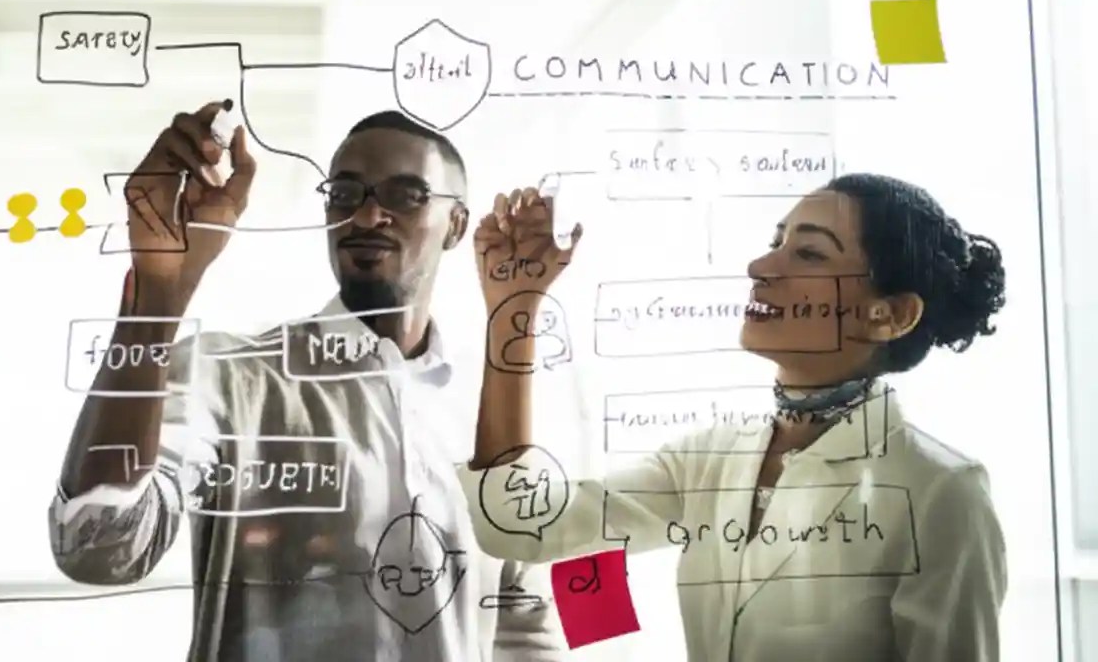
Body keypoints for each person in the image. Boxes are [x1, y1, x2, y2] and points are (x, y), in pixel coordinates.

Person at [49, 101, 569, 661]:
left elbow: (533, 618)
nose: (367, 218)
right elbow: (97, 548)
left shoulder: (494, 407)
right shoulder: (230, 378)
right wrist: (158, 293)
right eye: (345, 194)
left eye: (405, 195)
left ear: (456, 225)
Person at [460, 173, 1010, 661]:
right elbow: (521, 524)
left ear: (890, 315)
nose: (760, 266)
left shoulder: (941, 491)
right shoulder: (711, 460)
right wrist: (515, 305)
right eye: (776, 242)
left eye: (810, 254)